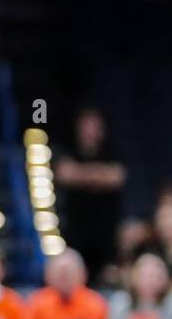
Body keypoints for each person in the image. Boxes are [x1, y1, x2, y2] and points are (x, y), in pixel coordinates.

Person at [54, 108, 126, 277]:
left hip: (105, 233)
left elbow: (117, 176)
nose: (90, 131)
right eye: (86, 126)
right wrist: (99, 176)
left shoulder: (112, 150)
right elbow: (65, 174)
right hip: (75, 230)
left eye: (94, 126)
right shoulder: (68, 149)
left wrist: (81, 175)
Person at [22, 249, 108, 319]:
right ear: (47, 276)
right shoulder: (36, 304)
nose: (64, 278)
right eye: (59, 274)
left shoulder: (96, 305)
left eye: (69, 273)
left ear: (83, 274)